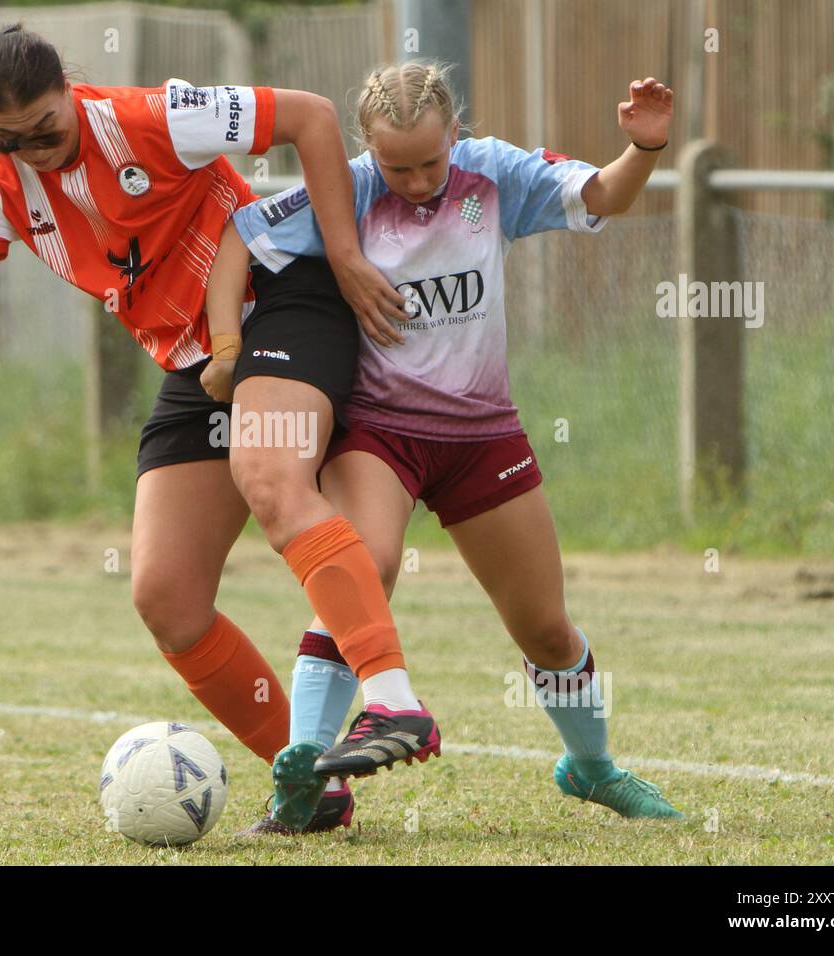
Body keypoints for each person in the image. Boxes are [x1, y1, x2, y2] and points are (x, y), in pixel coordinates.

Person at [0, 25, 440, 795]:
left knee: (268, 478)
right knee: (165, 597)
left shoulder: (157, 117)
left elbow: (310, 117)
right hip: (194, 360)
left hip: (281, 300)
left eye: (48, 128)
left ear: (70, 92)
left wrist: (342, 252)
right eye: (14, 138)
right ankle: (313, 783)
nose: (38, 149)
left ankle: (394, 703)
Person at [204, 61, 684, 834]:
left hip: (483, 435)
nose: (419, 179)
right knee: (366, 565)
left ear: (454, 133)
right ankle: (303, 775)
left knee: (546, 629)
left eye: (431, 160)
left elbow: (602, 198)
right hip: (380, 432)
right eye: (399, 166)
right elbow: (239, 236)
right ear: (367, 150)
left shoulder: (492, 174)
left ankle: (592, 768)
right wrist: (226, 347)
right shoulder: (348, 188)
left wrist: (645, 150)